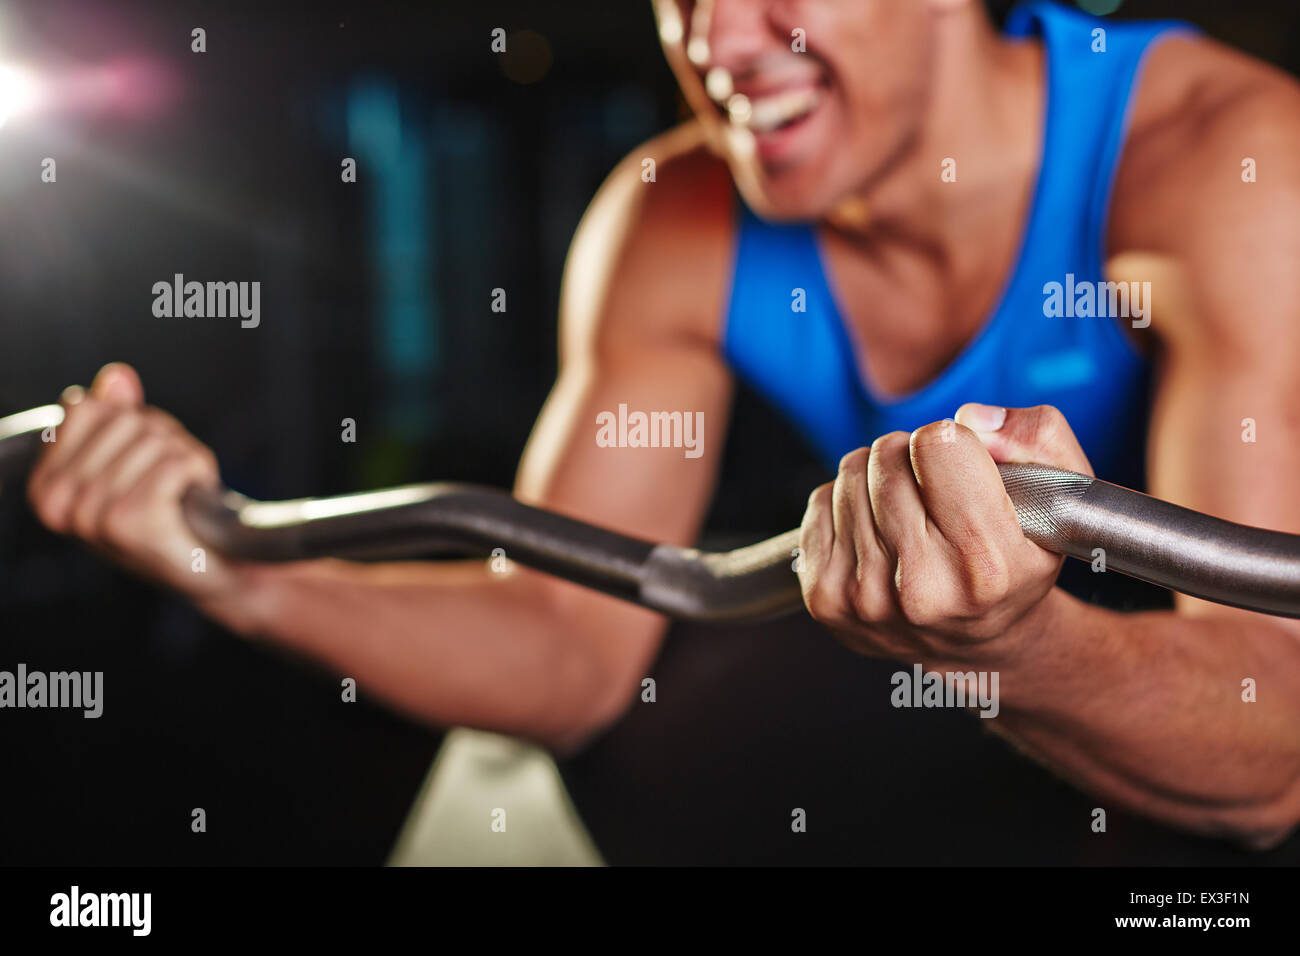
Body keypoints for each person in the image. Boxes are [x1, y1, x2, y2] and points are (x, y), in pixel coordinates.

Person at [26, 0, 1300, 859]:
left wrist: (1011, 640)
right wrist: (225, 567)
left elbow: (1268, 743)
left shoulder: (1223, 164)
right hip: (985, 686)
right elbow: (572, 649)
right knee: (672, 725)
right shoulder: (672, 214)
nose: (717, 39)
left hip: (1180, 732)